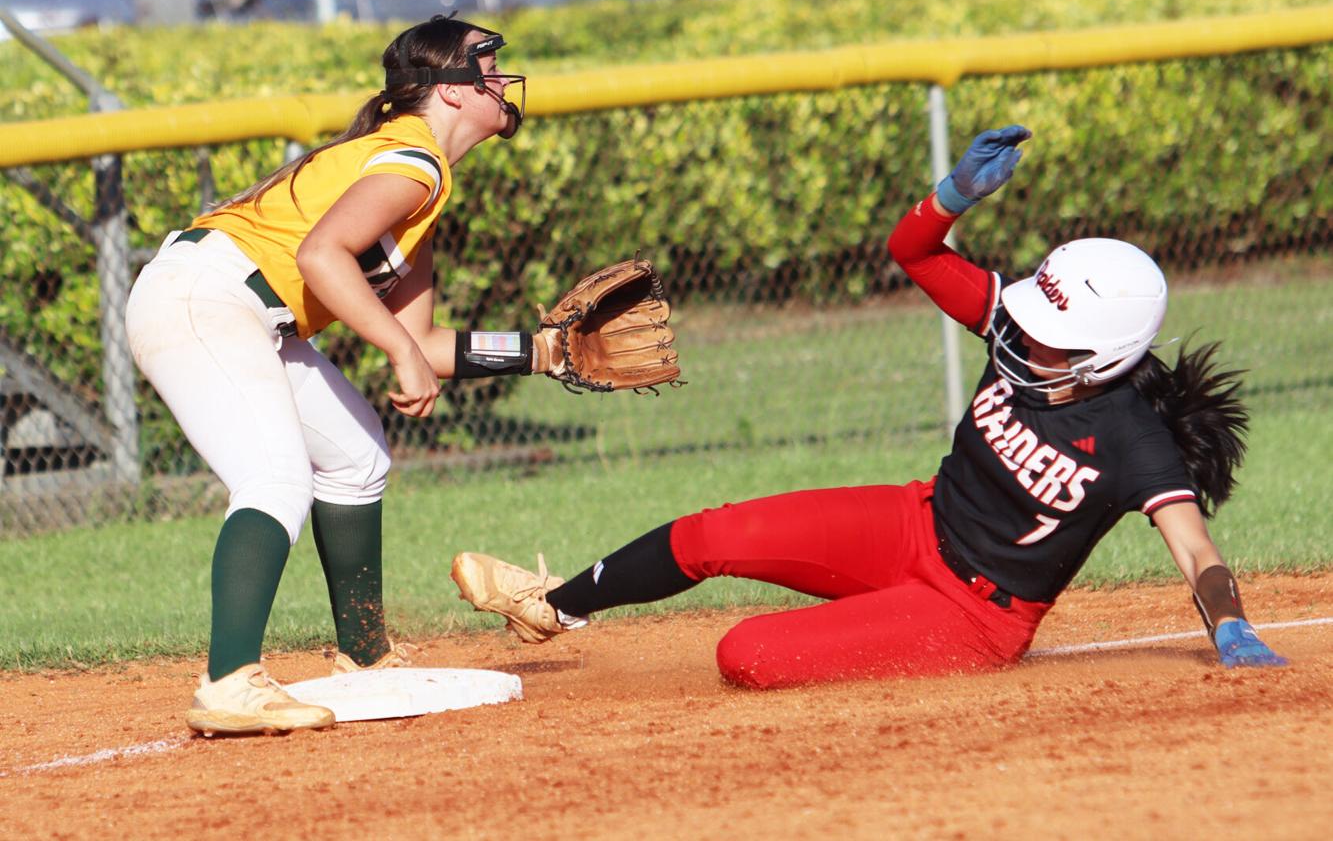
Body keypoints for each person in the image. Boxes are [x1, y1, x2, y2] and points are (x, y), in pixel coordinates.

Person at [451, 125, 1287, 688]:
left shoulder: (1132, 438)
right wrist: (952, 195)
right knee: (709, 534)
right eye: (1031, 318)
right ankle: (551, 606)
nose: (1025, 339)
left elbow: (1194, 549)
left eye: (1050, 337)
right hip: (913, 521)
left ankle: (877, 630)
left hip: (973, 615)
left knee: (747, 655)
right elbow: (912, 251)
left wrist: (1230, 626)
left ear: (1107, 355)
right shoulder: (1013, 325)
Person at [126, 15, 569, 734]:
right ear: (449, 91)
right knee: (274, 477)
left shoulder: (420, 178)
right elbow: (321, 257)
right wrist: (397, 353)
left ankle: (363, 655)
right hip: (205, 298)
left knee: (357, 456)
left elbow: (421, 343)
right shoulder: (413, 162)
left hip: (244, 310)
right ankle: (229, 681)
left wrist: (541, 351)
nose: (500, 81)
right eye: (486, 68)